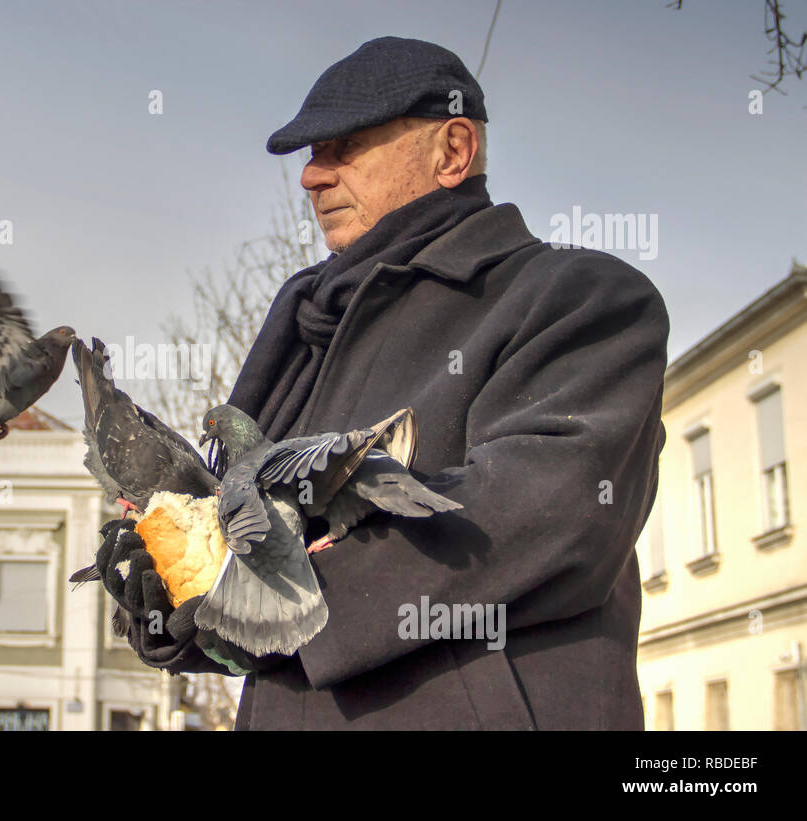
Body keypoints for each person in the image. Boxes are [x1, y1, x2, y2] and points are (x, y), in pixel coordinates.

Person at [93, 36, 668, 730]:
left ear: (452, 151)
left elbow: (547, 514)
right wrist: (182, 587)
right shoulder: (305, 328)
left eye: (343, 147)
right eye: (310, 156)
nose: (311, 176)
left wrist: (261, 592)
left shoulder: (577, 296)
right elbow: (242, 570)